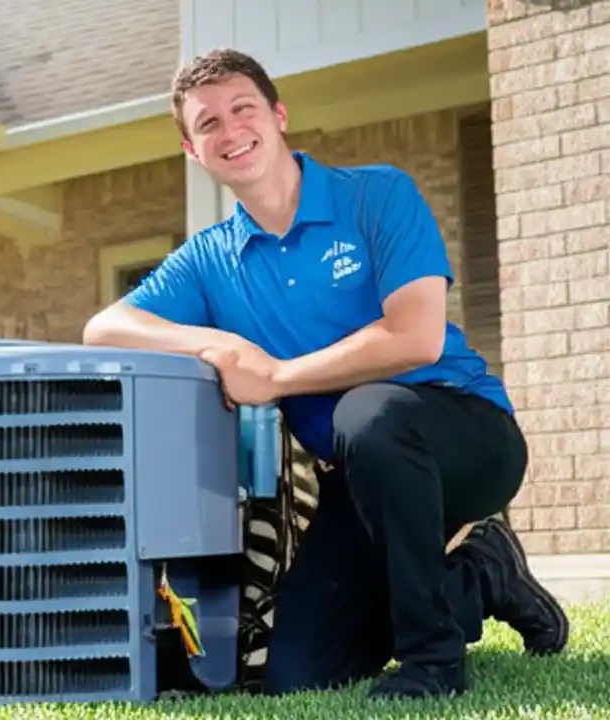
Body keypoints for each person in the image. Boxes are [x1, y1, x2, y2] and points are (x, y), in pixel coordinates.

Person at [83, 48, 568, 700]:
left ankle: (434, 665)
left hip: (466, 435)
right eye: (208, 125)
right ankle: (486, 573)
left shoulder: (375, 195)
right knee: (302, 671)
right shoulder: (208, 261)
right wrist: (222, 343)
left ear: (279, 116)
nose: (230, 131)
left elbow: (415, 337)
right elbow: (106, 327)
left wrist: (277, 376)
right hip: (360, 472)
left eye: (242, 109)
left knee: (367, 412)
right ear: (193, 152)